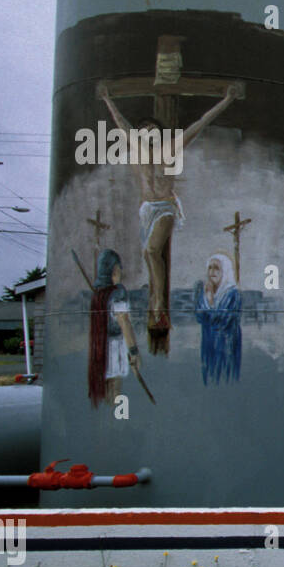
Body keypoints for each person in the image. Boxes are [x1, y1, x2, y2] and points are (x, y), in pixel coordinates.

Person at [97, 82, 242, 352]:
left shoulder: (171, 148)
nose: (147, 133)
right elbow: (120, 122)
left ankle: (158, 307)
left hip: (165, 207)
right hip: (146, 211)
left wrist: (227, 100)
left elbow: (201, 122)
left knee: (151, 252)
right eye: (143, 131)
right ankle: (156, 307)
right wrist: (107, 99)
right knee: (150, 257)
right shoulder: (137, 152)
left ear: (160, 134)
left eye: (152, 130)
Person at [87, 249, 141, 408]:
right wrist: (133, 351)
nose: (120, 271)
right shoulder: (118, 293)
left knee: (106, 383)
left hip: (99, 347)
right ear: (111, 270)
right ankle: (117, 420)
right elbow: (124, 321)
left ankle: (111, 419)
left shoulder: (98, 294)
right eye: (118, 268)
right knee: (115, 387)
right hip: (114, 347)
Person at [194, 253, 242, 385]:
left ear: (225, 271)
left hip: (226, 345)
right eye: (210, 268)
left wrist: (210, 304)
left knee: (226, 378)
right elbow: (199, 317)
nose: (212, 272)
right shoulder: (206, 292)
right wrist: (208, 302)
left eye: (216, 268)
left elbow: (222, 322)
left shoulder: (232, 294)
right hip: (208, 343)